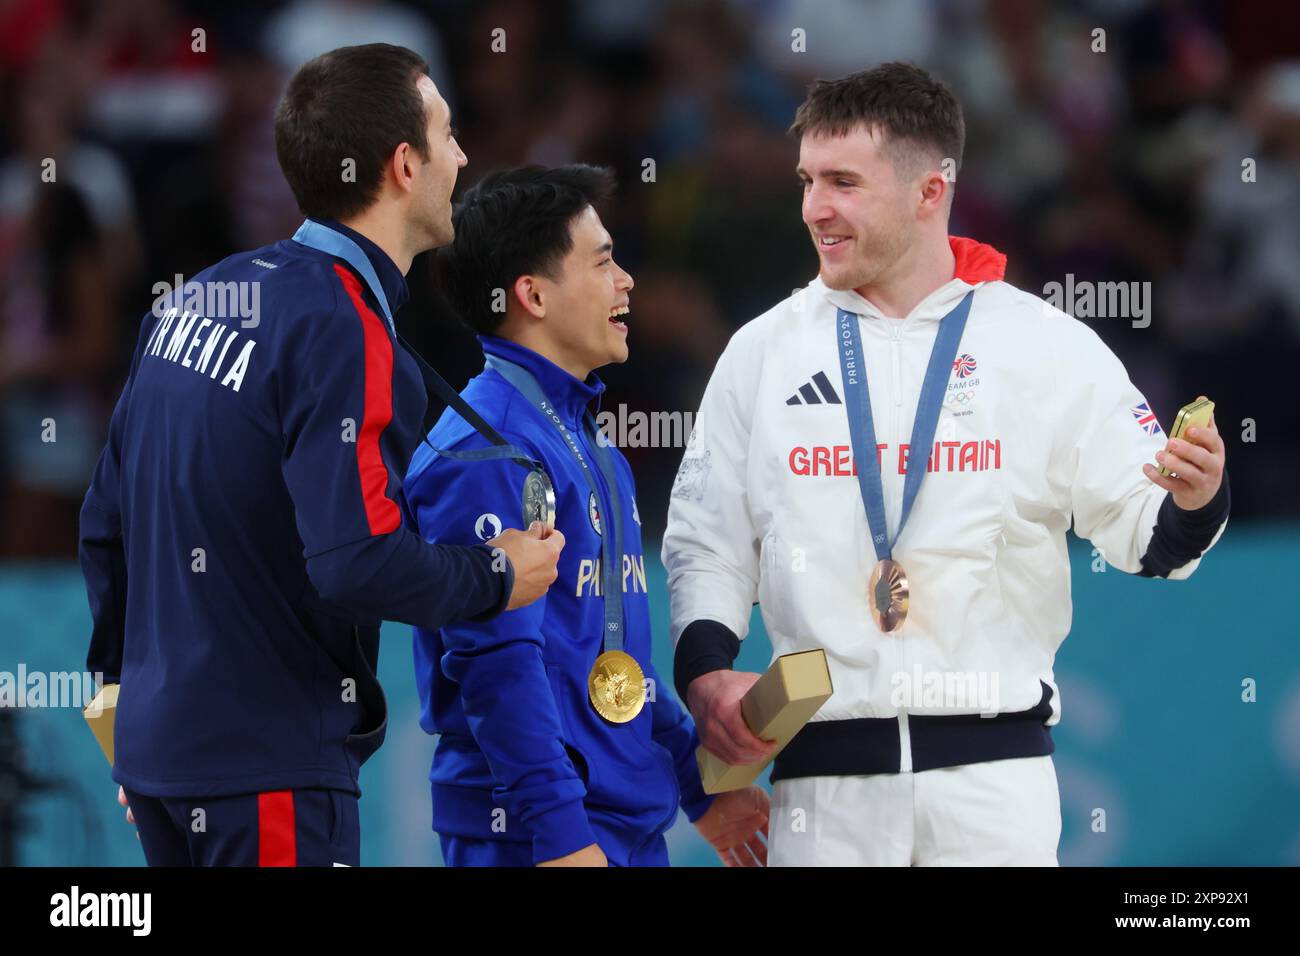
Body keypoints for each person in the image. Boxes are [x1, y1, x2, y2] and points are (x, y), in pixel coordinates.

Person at [663, 62, 1229, 866]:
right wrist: (705, 671)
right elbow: (705, 541)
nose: (814, 207)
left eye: (843, 182)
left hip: (994, 790)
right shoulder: (762, 352)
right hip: (822, 795)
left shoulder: (1046, 346)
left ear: (931, 192)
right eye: (807, 180)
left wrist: (1196, 497)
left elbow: (1149, 539)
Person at [79, 43, 563, 867]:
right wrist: (495, 575)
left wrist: (128, 723)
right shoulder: (344, 326)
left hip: (163, 766)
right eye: (447, 134)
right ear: (404, 164)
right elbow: (355, 561)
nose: (464, 154)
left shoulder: (199, 296)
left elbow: (106, 527)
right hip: (267, 770)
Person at [406, 165, 769, 867]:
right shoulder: (483, 454)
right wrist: (559, 837)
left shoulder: (594, 446)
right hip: (533, 841)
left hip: (621, 830)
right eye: (603, 262)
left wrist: (699, 787)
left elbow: (612, 664)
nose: (626, 281)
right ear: (533, 295)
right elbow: (498, 673)